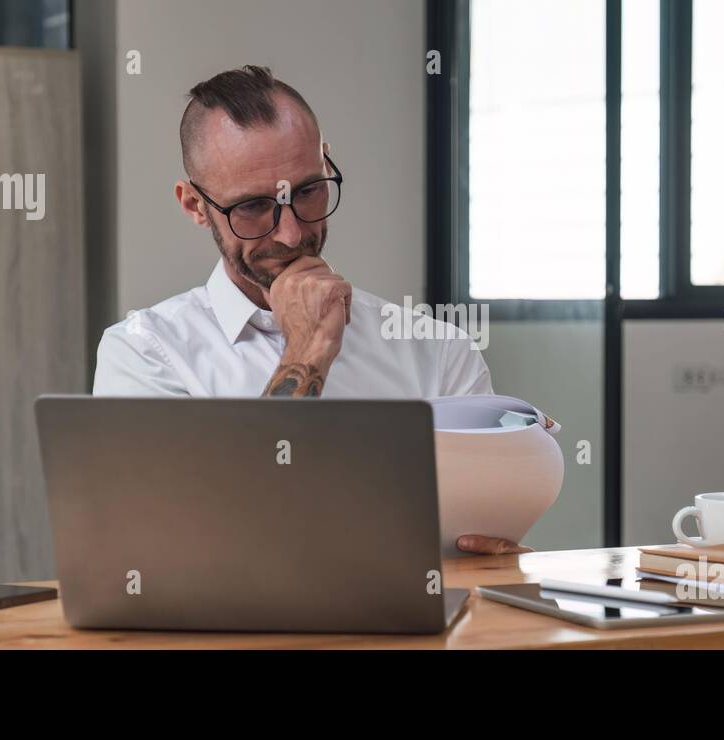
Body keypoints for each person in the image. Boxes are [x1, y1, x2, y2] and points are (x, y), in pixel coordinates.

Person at [93, 65, 527, 556]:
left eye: (307, 191)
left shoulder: (437, 349)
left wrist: (494, 564)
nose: (292, 234)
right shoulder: (144, 353)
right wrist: (308, 350)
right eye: (253, 207)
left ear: (325, 165)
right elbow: (173, 547)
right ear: (195, 205)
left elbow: (472, 550)